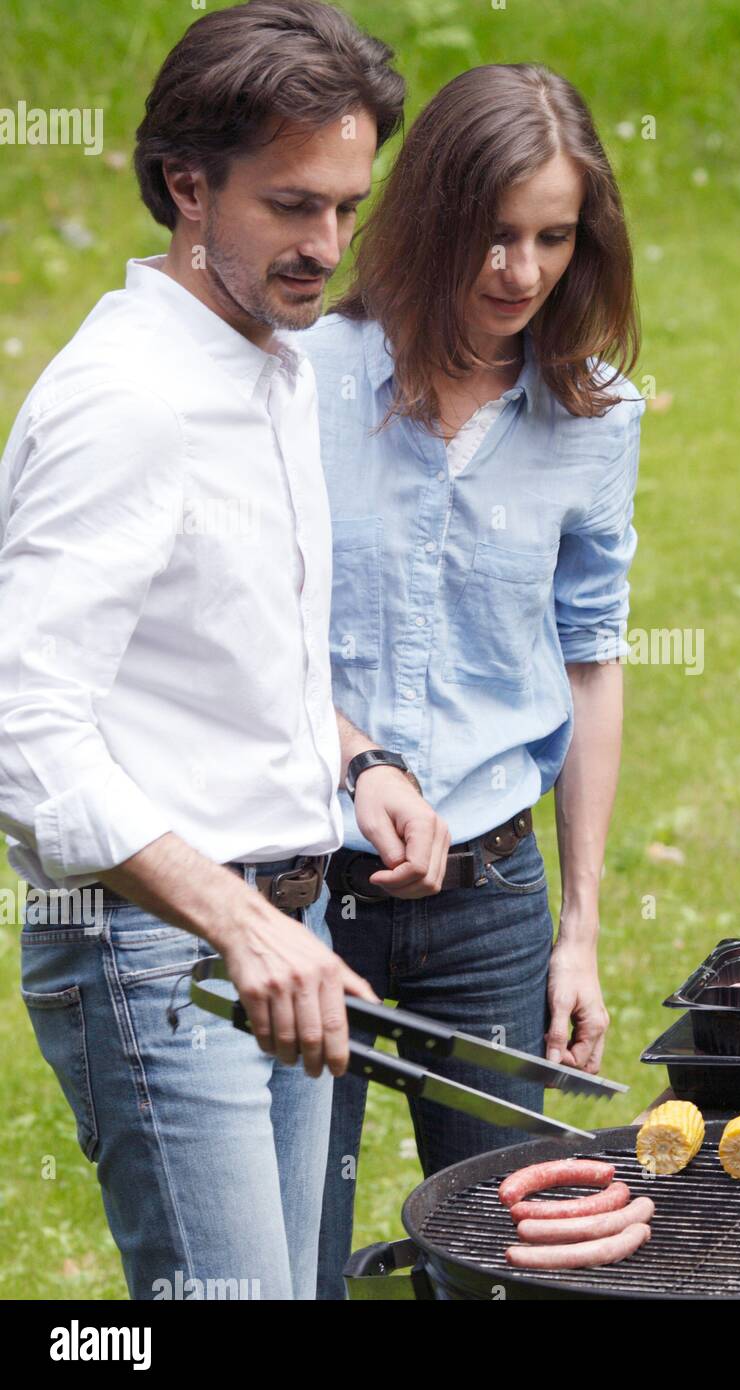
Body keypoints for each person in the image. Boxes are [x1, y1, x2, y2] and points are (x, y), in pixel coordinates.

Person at [0, 0, 450, 1299]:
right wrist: (242, 921)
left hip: (280, 930)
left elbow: (226, 652)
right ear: (186, 185)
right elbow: (26, 734)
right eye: (293, 206)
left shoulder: (277, 356)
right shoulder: (126, 404)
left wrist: (356, 757)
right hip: (154, 952)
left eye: (349, 207)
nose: (328, 247)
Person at [296, 62, 645, 1298]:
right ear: (431, 213)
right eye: (494, 233)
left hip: (490, 894)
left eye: (554, 237)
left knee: (512, 1262)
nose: (521, 270)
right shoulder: (307, 375)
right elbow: (249, 630)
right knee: (292, 1264)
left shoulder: (594, 419)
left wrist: (581, 930)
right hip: (297, 891)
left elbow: (591, 662)